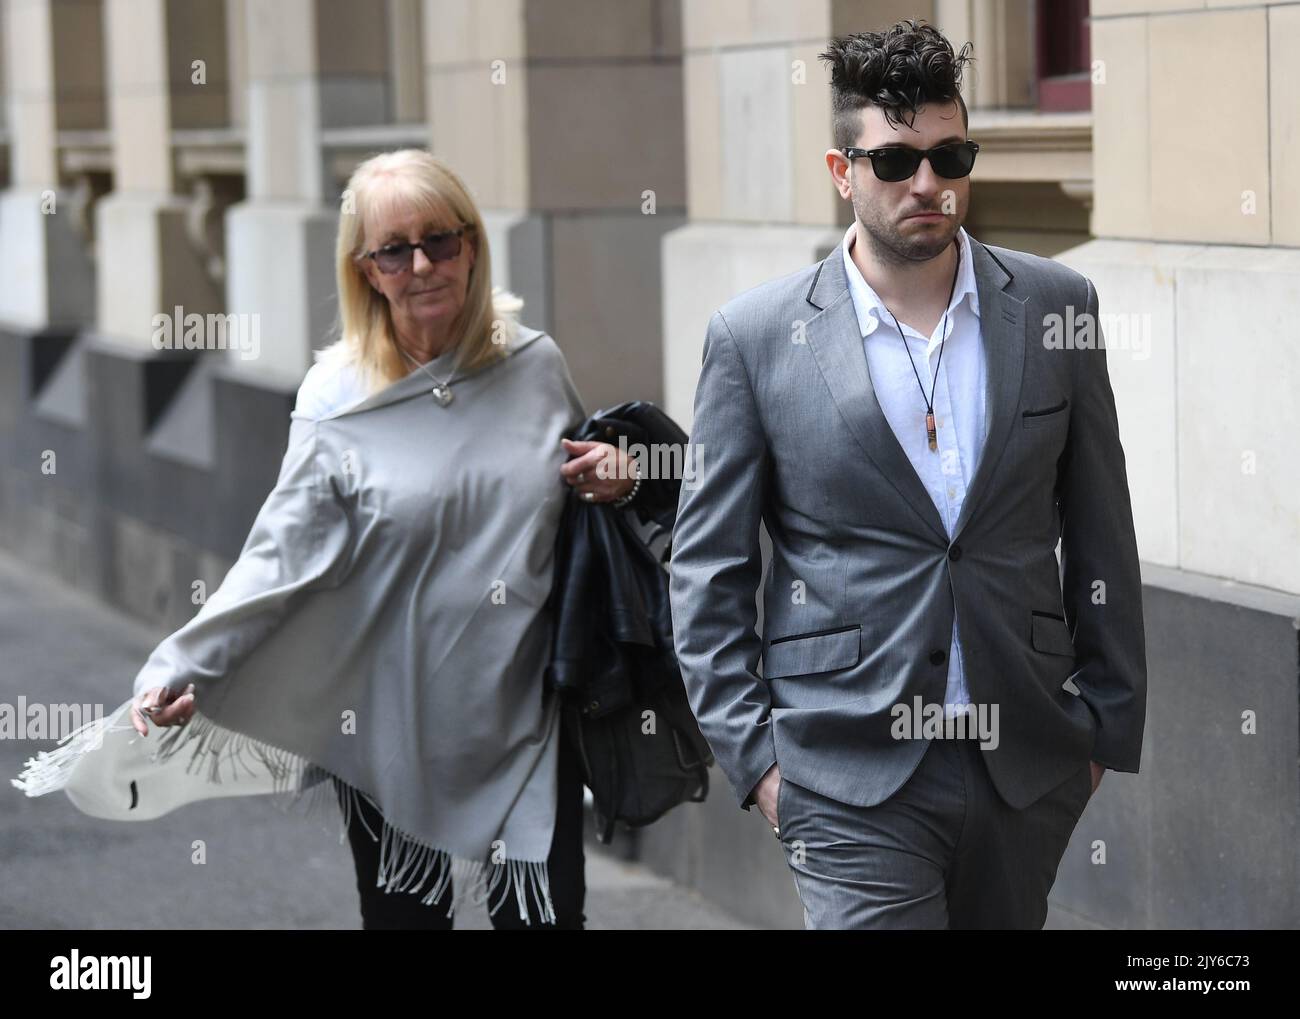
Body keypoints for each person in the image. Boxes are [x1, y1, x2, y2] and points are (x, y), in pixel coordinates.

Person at [17, 149, 639, 930]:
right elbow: (279, 556)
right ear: (367, 271)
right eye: (394, 249)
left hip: (526, 716)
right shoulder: (336, 398)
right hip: (385, 721)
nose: (422, 264)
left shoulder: (535, 364)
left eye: (441, 241)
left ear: (473, 246)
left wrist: (623, 477)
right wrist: (182, 662)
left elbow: (587, 503)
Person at [668, 20, 1147, 929]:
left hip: (1024, 762)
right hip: (847, 774)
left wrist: (1104, 727)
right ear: (841, 171)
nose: (928, 184)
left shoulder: (1056, 306)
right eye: (895, 163)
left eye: (950, 155)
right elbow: (708, 569)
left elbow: (1101, 524)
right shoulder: (756, 338)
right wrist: (761, 765)